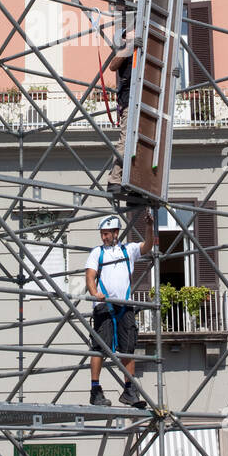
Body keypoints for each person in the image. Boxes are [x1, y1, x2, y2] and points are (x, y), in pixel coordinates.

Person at [84, 210, 153, 407]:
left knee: (128, 348)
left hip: (125, 305)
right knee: (99, 347)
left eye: (106, 233)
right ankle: (95, 390)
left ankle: (129, 390)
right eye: (102, 234)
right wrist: (94, 292)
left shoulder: (128, 250)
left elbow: (147, 246)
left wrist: (149, 227)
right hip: (104, 305)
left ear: (116, 232)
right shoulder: (97, 252)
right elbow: (90, 276)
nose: (104, 237)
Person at [104, 26, 135, 196]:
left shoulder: (142, 51)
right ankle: (115, 180)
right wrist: (129, 47)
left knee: (138, 143)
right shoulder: (125, 50)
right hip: (129, 99)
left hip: (143, 100)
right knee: (126, 140)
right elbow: (112, 66)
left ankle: (134, 180)